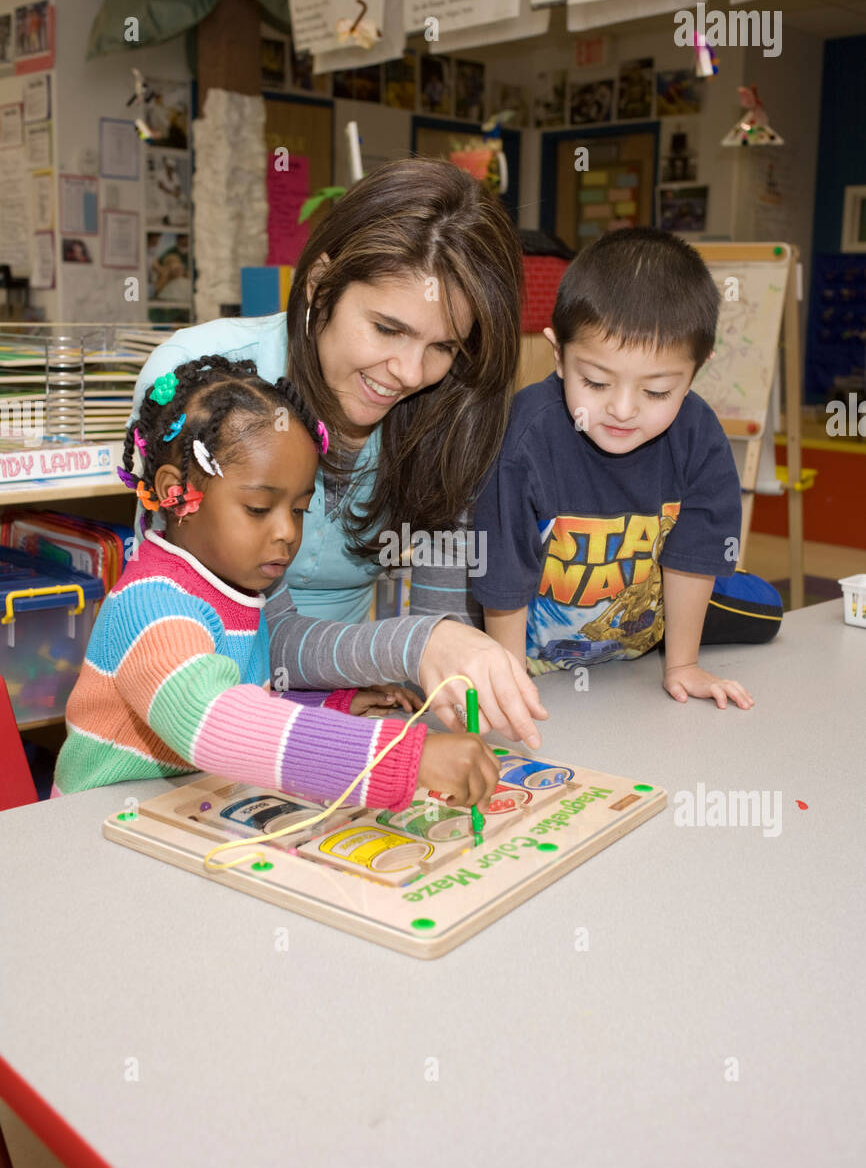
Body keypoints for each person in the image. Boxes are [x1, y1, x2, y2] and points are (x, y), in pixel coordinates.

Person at [130, 157, 548, 749]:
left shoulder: (449, 406)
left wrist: (444, 663)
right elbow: (243, 636)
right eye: (387, 328)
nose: (407, 373)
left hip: (346, 707)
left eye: (442, 346)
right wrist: (416, 645)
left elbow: (440, 610)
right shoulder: (203, 390)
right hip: (193, 722)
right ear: (322, 283)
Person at [53, 359, 501, 810]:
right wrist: (402, 757)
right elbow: (213, 722)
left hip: (175, 809)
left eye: (299, 510)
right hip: (93, 830)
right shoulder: (151, 603)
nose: (287, 532)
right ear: (176, 494)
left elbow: (249, 702)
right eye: (258, 508)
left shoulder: (239, 588)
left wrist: (333, 706)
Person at [471, 227, 783, 708]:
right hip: (530, 655)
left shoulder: (699, 435)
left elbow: (694, 555)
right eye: (595, 382)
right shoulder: (524, 438)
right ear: (558, 355)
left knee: (770, 614)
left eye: (656, 391)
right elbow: (503, 569)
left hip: (638, 641)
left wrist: (682, 666)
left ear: (697, 372)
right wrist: (510, 680)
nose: (621, 409)